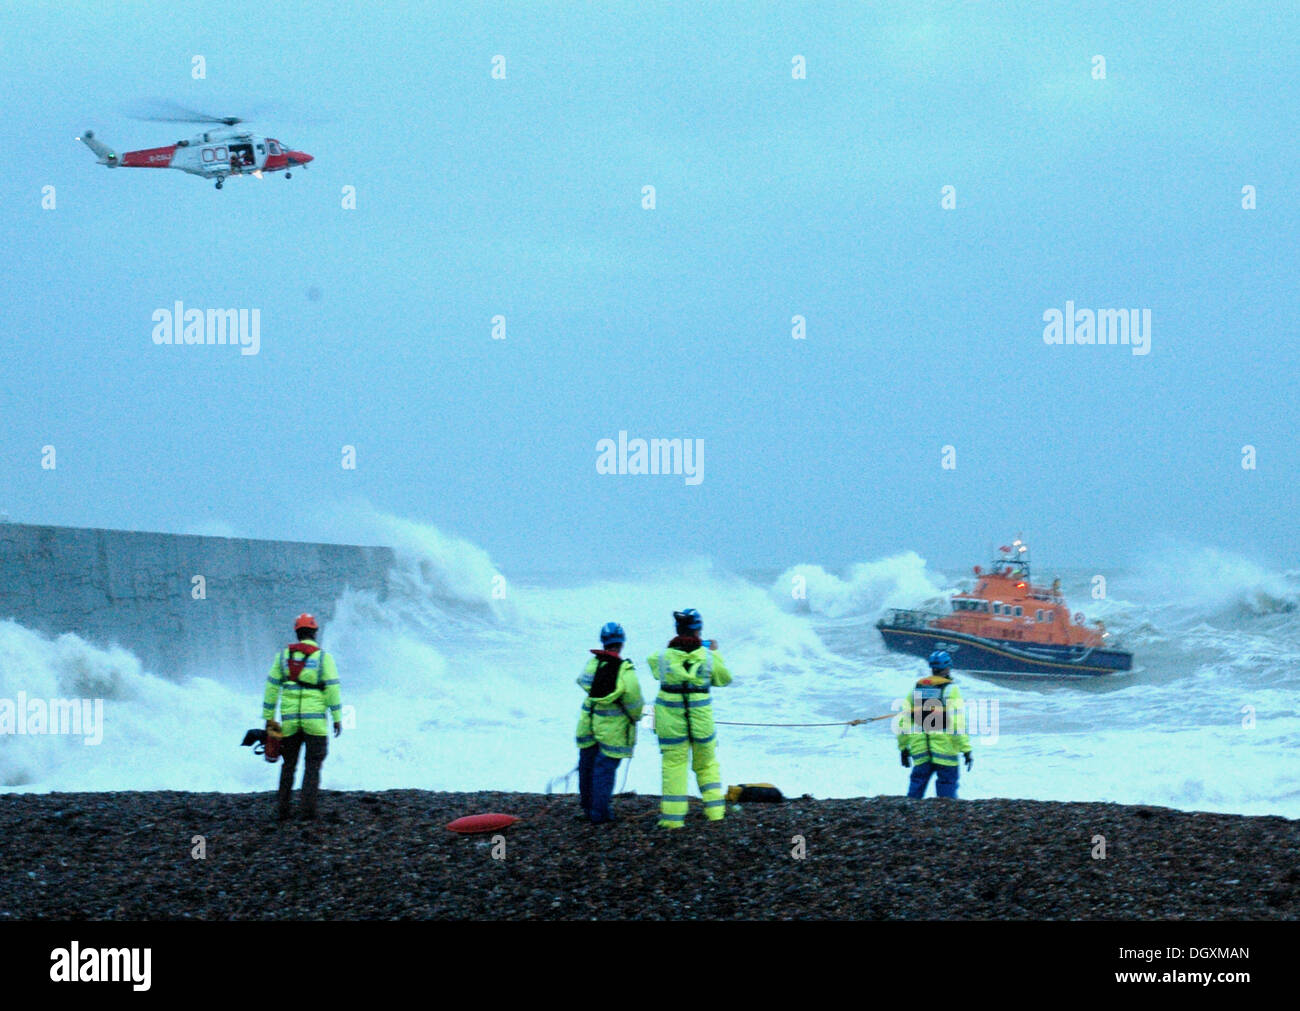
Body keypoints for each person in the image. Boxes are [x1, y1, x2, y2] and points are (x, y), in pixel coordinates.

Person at [648, 609, 732, 829]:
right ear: (698, 631)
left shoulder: (663, 657)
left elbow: (654, 667)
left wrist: (675, 650)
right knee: (706, 765)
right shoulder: (708, 656)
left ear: (677, 630)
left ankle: (672, 821)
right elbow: (724, 678)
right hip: (701, 721)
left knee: (673, 766)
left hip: (670, 722)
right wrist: (713, 651)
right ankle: (715, 813)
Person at [262, 612, 342, 821]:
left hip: (289, 722)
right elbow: (332, 690)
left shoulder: (282, 657)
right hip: (315, 723)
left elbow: (271, 688)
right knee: (313, 765)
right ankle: (307, 812)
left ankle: (283, 810)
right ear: (315, 632)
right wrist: (337, 717)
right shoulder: (324, 658)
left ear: (297, 632)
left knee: (288, 765)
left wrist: (269, 718)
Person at [575, 622, 643, 824]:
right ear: (621, 643)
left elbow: (583, 682)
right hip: (613, 732)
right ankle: (600, 815)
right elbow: (635, 703)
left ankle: (588, 809)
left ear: (603, 642)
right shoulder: (625, 671)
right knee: (604, 772)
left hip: (589, 724)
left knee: (587, 768)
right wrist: (635, 716)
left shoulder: (593, 664)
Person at [896, 650, 972, 798]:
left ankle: (910, 817)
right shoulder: (950, 689)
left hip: (920, 749)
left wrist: (903, 748)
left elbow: (902, 720)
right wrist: (966, 749)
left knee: (915, 791)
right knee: (946, 793)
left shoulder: (917, 688)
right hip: (945, 750)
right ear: (948, 667)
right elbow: (956, 724)